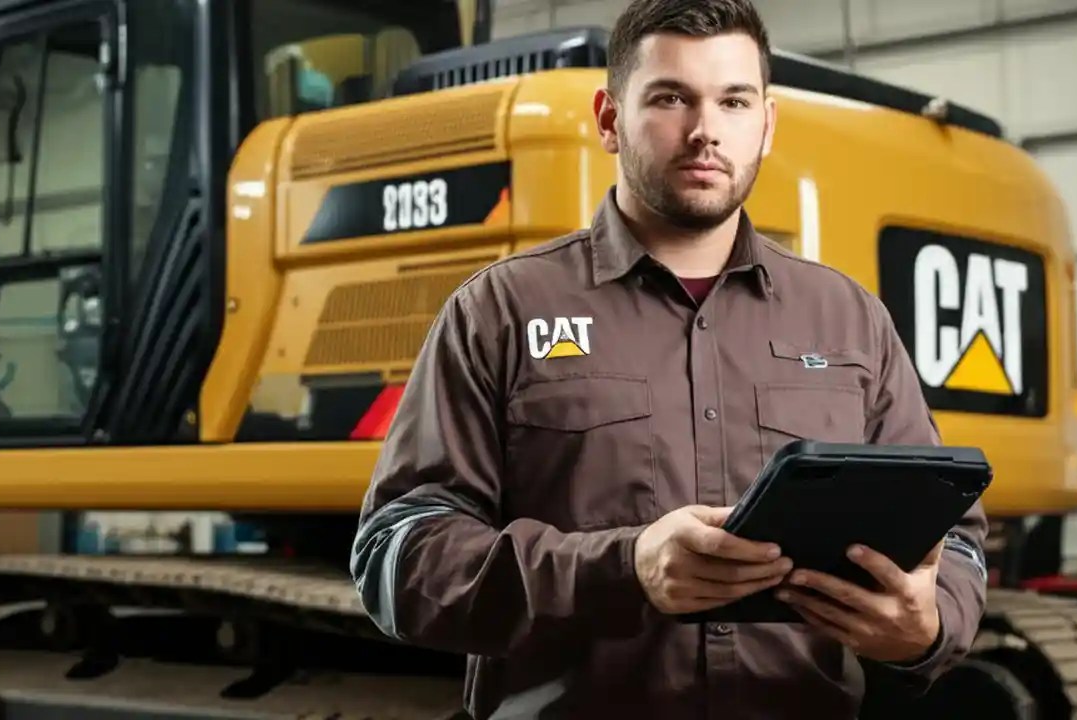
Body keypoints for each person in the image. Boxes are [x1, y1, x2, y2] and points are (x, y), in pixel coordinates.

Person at [350, 0, 989, 717]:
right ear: (608, 119)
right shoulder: (499, 311)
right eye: (669, 97)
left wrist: (926, 629)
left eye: (733, 100)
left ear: (767, 124)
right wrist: (621, 569)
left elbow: (956, 540)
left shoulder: (850, 319)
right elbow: (396, 556)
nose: (705, 130)